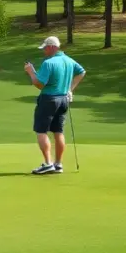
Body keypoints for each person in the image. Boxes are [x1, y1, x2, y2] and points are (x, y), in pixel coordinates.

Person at [24, 36, 85, 175]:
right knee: (58, 131)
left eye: (45, 47)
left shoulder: (48, 63)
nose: (44, 50)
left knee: (41, 130)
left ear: (52, 47)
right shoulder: (69, 60)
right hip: (63, 99)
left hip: (49, 99)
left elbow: (39, 84)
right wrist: (70, 89)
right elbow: (82, 72)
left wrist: (31, 72)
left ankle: (48, 163)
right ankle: (58, 164)